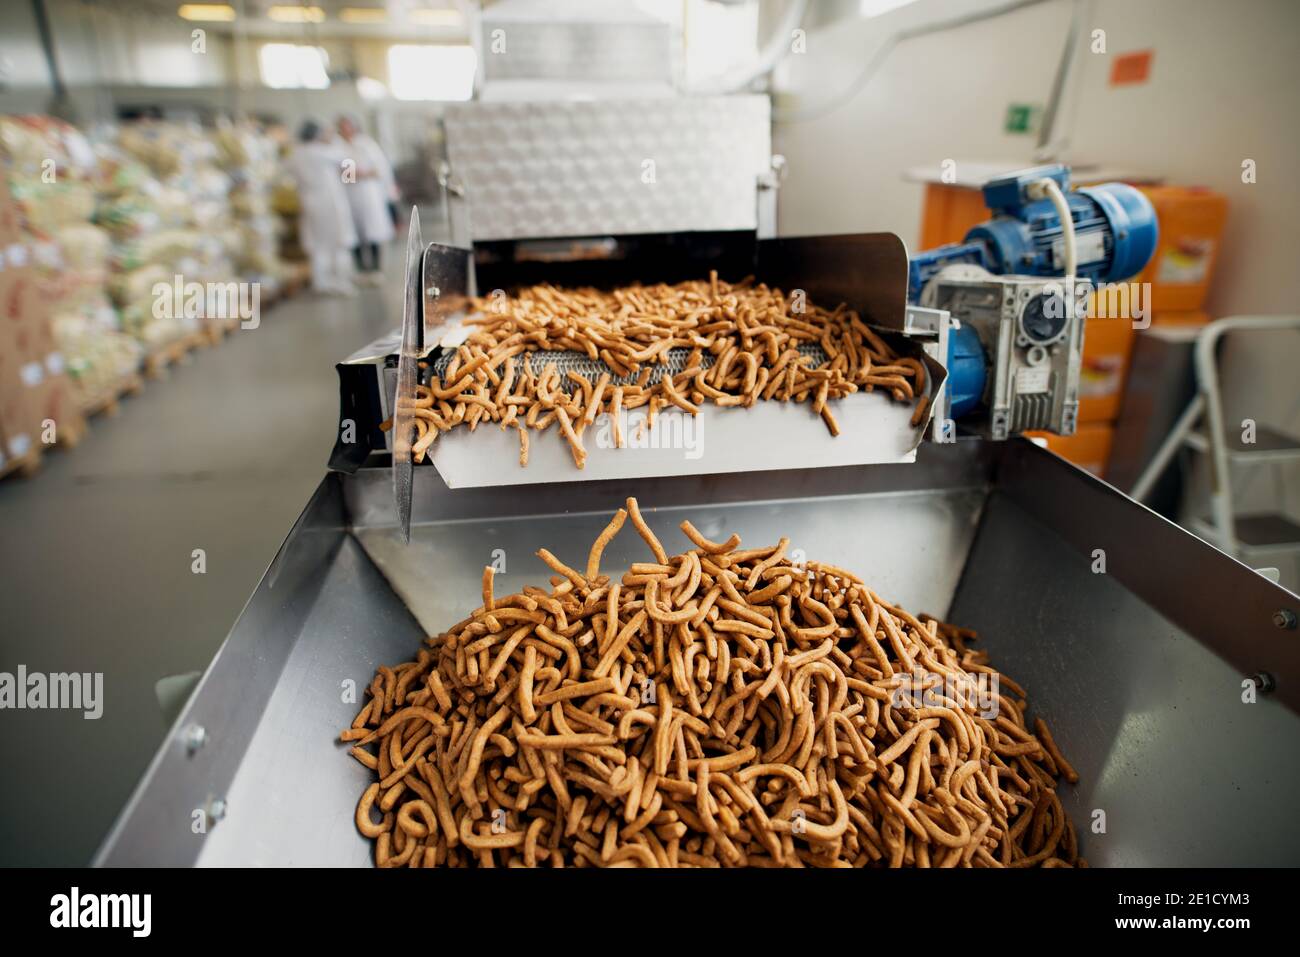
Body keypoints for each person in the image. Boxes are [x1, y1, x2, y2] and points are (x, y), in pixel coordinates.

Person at [285, 119, 357, 296]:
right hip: (330, 202)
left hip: (309, 202)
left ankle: (321, 282)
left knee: (317, 244)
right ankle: (340, 281)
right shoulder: (324, 152)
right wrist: (349, 180)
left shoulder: (296, 154)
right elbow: (349, 163)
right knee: (338, 242)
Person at [337, 114, 397, 285]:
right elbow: (346, 175)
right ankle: (361, 269)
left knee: (373, 230)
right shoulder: (339, 147)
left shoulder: (366, 145)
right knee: (354, 232)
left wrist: (362, 174)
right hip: (349, 195)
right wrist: (354, 174)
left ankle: (376, 269)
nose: (346, 130)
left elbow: (380, 169)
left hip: (368, 193)